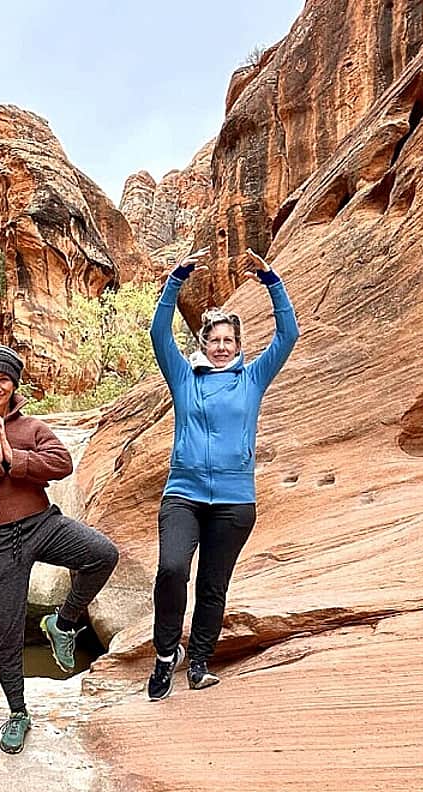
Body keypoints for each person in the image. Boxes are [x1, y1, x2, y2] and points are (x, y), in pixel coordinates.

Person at [0, 344, 120, 755]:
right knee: (7, 632)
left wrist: (15, 460)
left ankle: (64, 621)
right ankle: (18, 713)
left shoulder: (33, 426)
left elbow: (61, 463)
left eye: (4, 379)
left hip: (42, 523)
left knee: (102, 554)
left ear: (14, 383)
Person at [146, 246, 299, 700]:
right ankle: (164, 655)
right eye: (213, 340)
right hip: (184, 493)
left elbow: (288, 335)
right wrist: (176, 279)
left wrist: (273, 282)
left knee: (214, 584)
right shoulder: (184, 378)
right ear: (202, 344)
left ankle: (199, 663)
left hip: (234, 501)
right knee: (173, 569)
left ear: (238, 346)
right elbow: (158, 333)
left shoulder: (252, 378)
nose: (220, 347)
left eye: (228, 341)